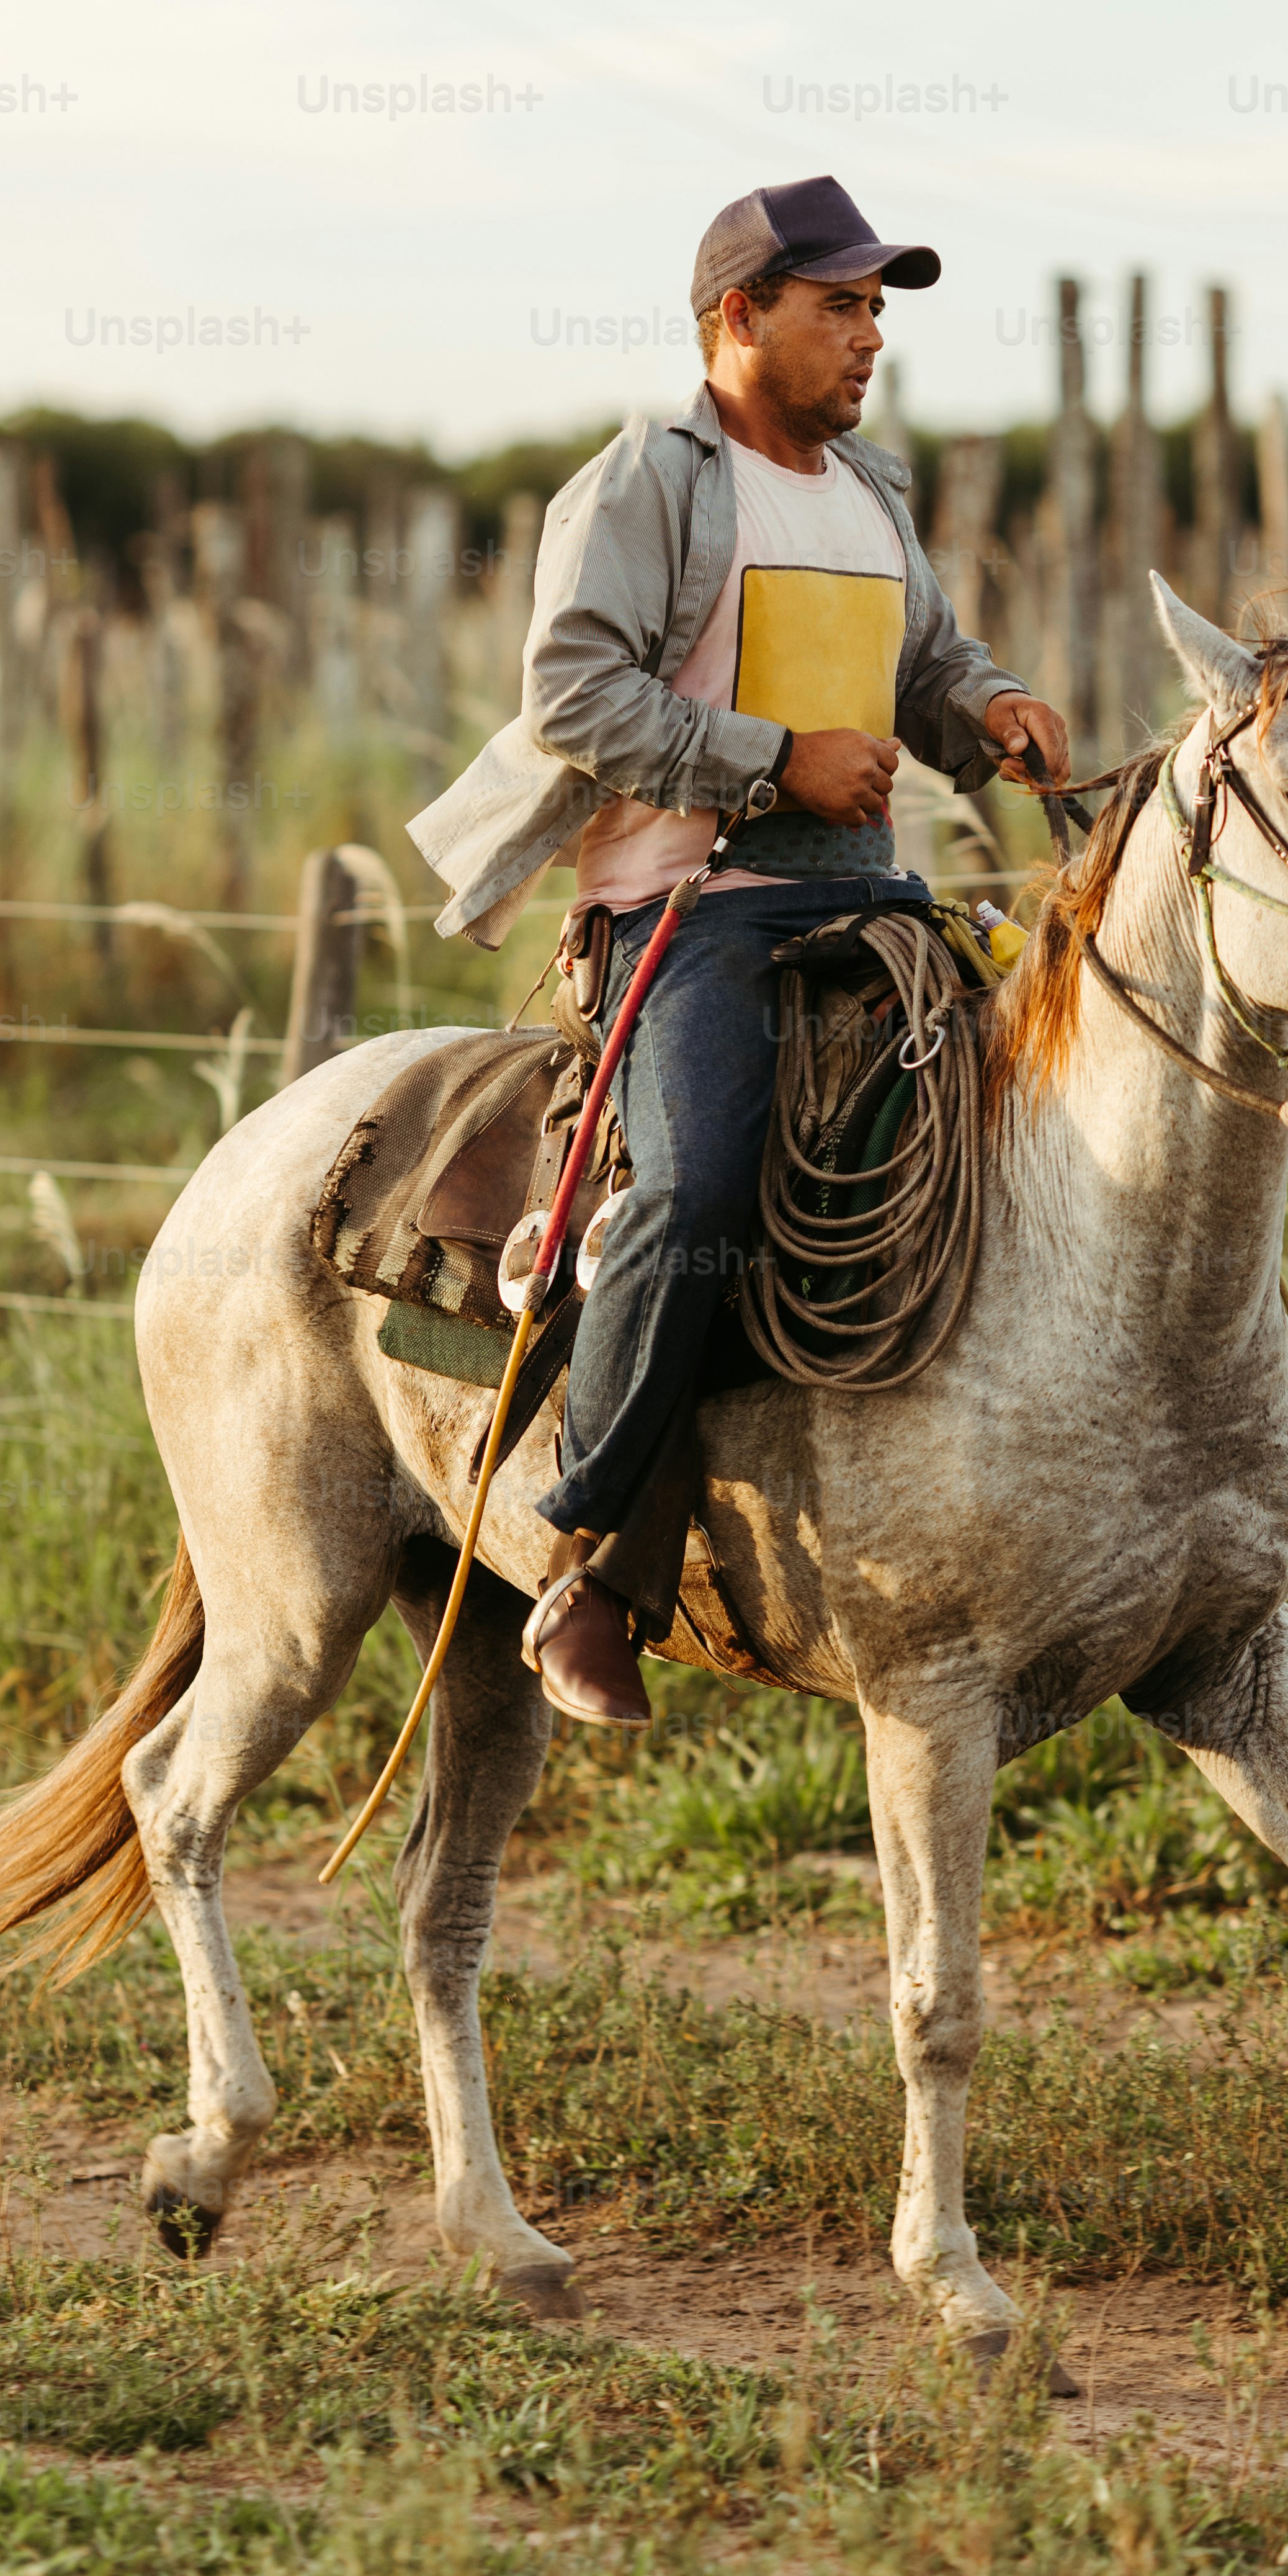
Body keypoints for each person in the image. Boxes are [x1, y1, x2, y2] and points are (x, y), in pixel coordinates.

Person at [410, 176, 1069, 1725]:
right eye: (838, 304)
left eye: (877, 309)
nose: (868, 336)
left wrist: (987, 710)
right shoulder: (649, 479)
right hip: (687, 907)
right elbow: (574, 693)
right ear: (735, 318)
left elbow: (927, 665)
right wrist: (775, 761)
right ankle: (580, 1543)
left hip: (870, 904)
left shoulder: (872, 491)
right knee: (699, 1184)